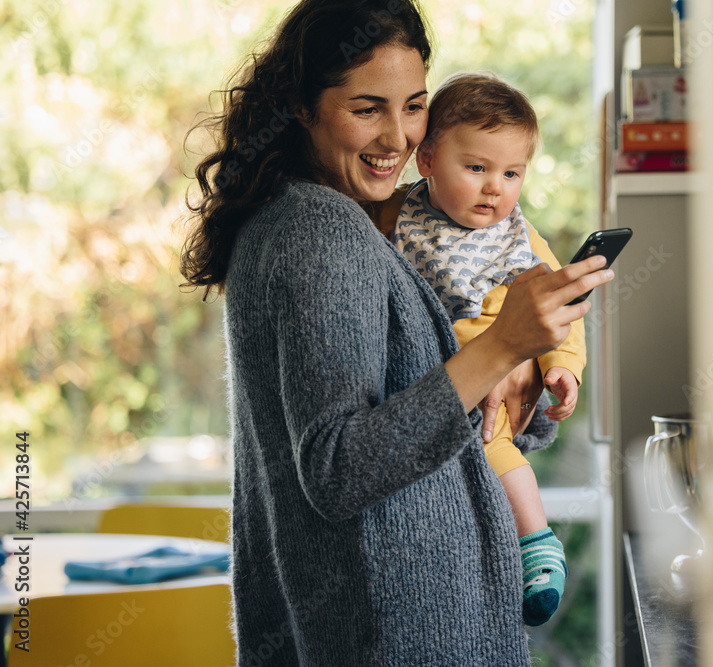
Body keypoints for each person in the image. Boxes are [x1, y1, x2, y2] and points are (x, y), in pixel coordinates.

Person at [179, 0, 613, 665]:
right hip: (397, 637)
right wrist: (500, 347)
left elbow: (449, 422)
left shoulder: (344, 222)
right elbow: (338, 467)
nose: (398, 139)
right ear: (301, 107)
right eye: (366, 109)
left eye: (413, 107)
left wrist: (516, 363)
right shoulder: (319, 230)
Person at [387, 71, 584, 626]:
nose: (495, 187)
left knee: (496, 450)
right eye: (476, 168)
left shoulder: (520, 239)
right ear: (426, 159)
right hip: (426, 390)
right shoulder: (395, 217)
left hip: (490, 397)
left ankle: (537, 544)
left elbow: (561, 306)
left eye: (511, 173)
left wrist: (562, 367)